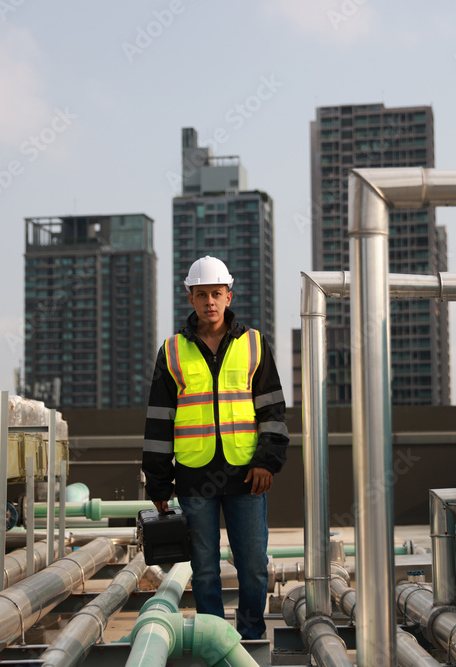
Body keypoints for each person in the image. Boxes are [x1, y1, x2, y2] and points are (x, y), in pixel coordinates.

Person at [142, 255, 288, 640]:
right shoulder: (172, 351)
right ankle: (215, 640)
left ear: (229, 296)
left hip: (247, 475)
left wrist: (267, 462)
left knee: (254, 565)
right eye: (202, 294)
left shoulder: (254, 344)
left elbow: (272, 409)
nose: (210, 301)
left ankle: (252, 635)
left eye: (216, 294)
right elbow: (159, 420)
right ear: (190, 298)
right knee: (203, 568)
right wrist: (158, 485)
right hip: (194, 478)